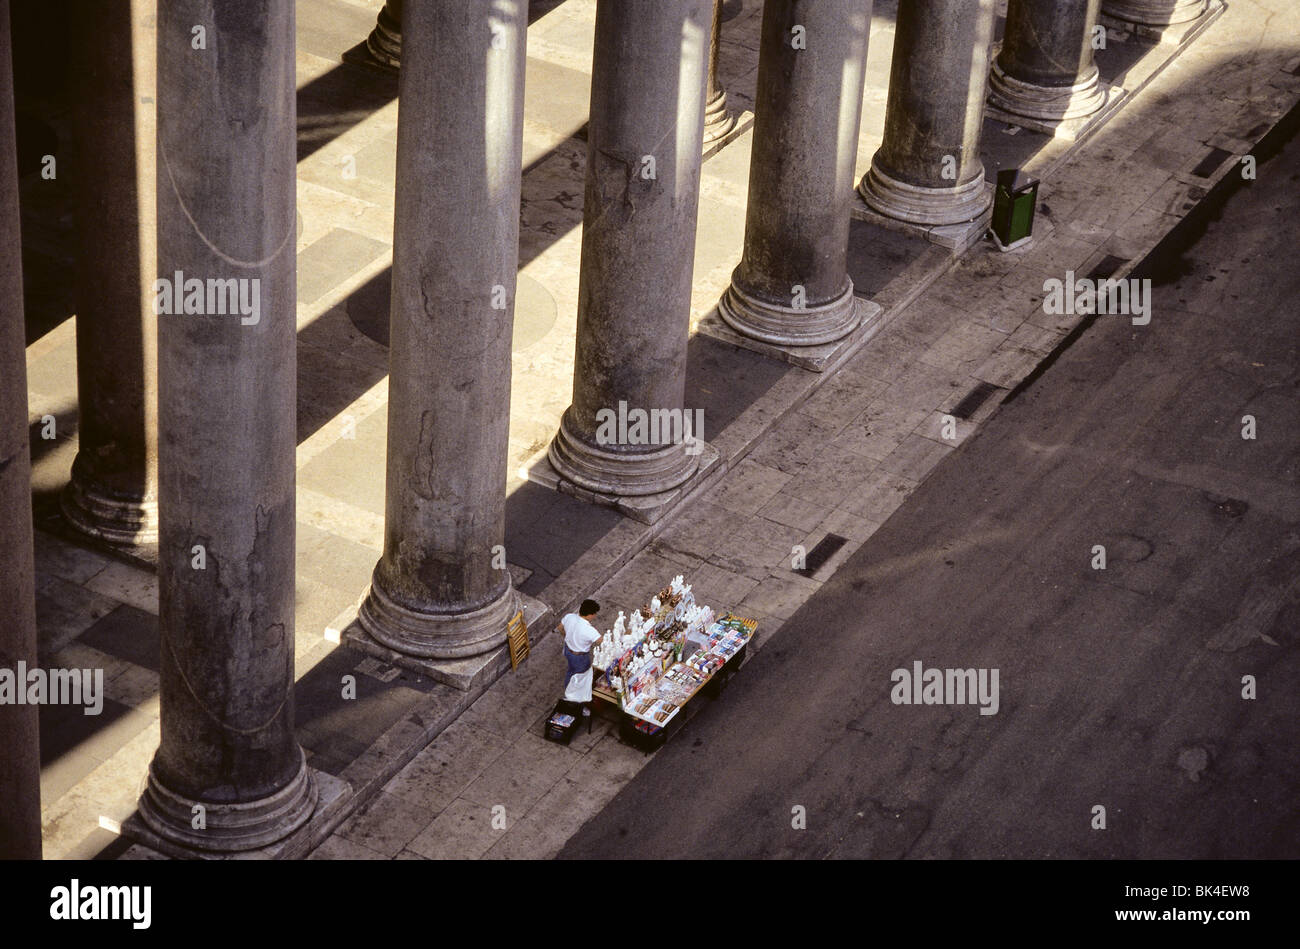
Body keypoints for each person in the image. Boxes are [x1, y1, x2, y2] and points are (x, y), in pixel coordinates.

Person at [560, 599, 602, 705]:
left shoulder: (569, 617)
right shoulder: (589, 630)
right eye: (594, 614)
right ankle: (575, 699)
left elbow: (560, 627)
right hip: (579, 657)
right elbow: (600, 641)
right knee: (580, 677)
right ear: (589, 615)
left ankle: (568, 689)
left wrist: (568, 637)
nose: (595, 616)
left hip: (568, 650)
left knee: (571, 671)